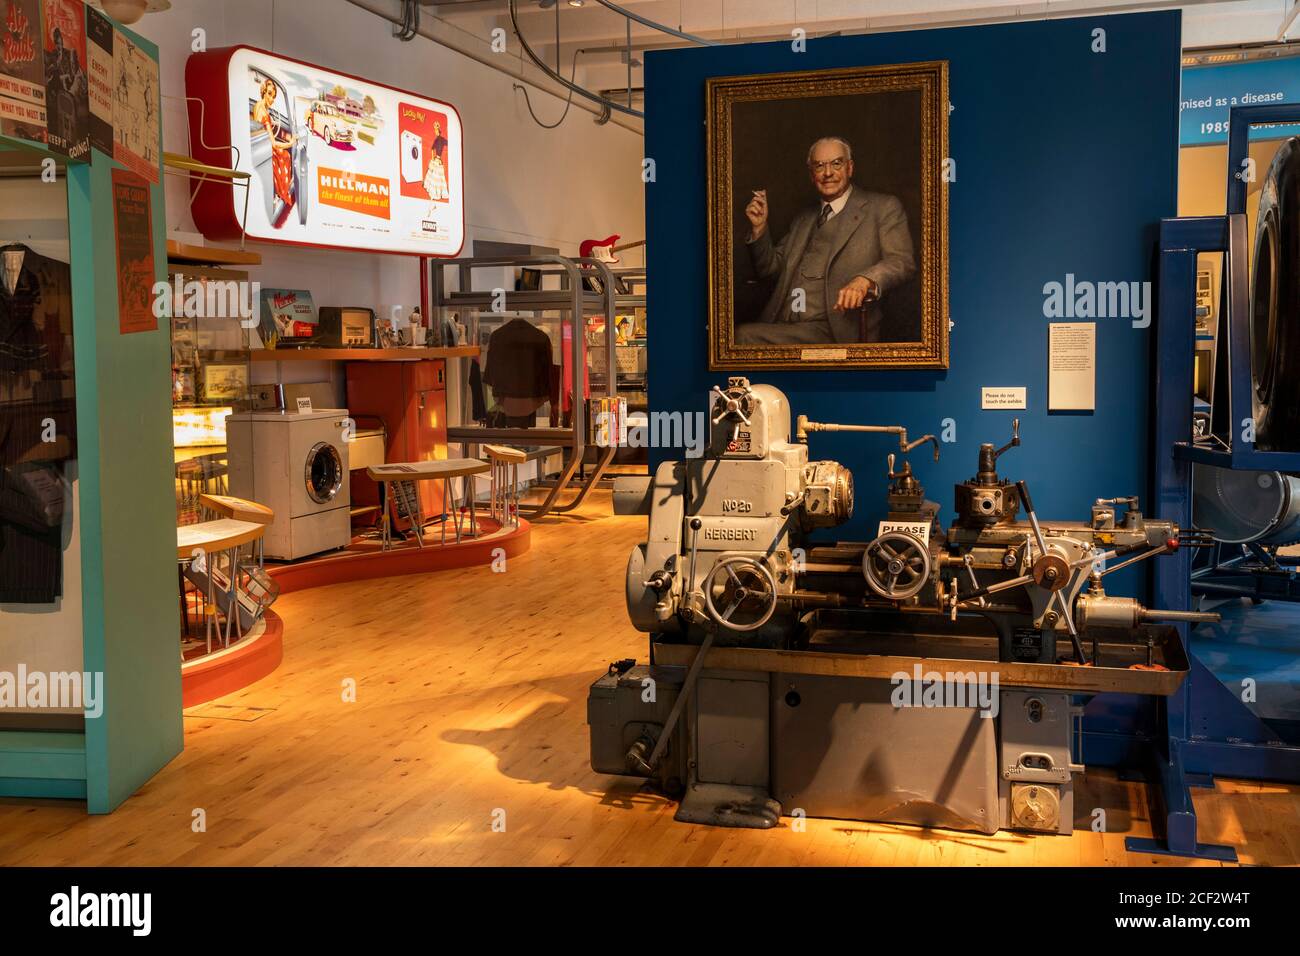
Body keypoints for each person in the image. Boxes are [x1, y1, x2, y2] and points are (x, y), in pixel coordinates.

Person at [738, 136, 916, 345]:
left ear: (850, 168)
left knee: (741, 337)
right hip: (783, 324)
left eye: (836, 163)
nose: (828, 173)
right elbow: (770, 270)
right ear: (812, 175)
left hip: (833, 330)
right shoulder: (803, 219)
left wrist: (865, 280)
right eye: (819, 166)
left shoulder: (882, 208)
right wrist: (759, 228)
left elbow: (902, 262)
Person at [252, 78, 296, 212]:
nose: (272, 99)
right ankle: (280, 192)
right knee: (286, 156)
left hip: (260, 143)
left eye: (274, 96)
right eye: (269, 94)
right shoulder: (264, 114)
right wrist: (290, 143)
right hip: (266, 148)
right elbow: (274, 144)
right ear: (264, 92)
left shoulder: (258, 106)